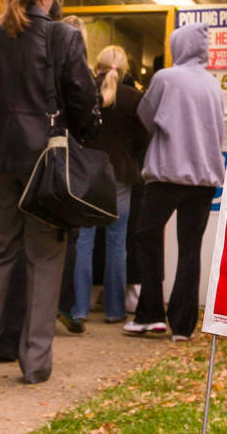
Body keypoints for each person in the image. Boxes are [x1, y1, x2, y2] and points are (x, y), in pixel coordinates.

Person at [0, 0, 97, 385]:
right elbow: (83, 98)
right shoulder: (64, 36)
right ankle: (34, 363)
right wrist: (82, 135)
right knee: (44, 256)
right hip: (46, 161)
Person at [125, 23, 225, 340]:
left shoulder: (166, 78)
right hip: (204, 178)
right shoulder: (212, 85)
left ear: (177, 46)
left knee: (146, 236)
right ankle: (183, 326)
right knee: (190, 249)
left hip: (168, 173)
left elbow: (145, 115)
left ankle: (150, 314)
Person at [69, 46, 151, 328]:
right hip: (120, 174)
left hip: (87, 174)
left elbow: (74, 130)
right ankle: (115, 310)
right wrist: (127, 152)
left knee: (83, 242)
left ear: (97, 66)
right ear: (124, 69)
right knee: (117, 244)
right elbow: (144, 137)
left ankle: (79, 308)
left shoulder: (83, 92)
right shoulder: (134, 97)